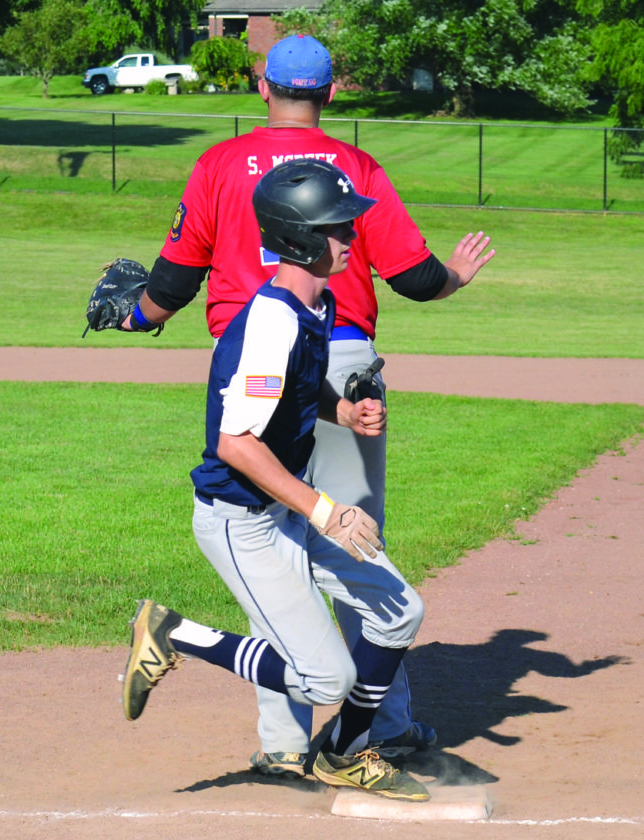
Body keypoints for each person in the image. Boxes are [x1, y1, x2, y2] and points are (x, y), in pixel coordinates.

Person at [120, 34, 495, 776]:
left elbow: (168, 287)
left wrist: (135, 316)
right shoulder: (351, 166)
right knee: (344, 542)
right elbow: (414, 277)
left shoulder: (219, 164)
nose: (348, 232)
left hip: (307, 365)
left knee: (302, 557)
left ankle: (288, 742)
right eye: (339, 228)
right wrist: (453, 276)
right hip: (313, 355)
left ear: (263, 85)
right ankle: (377, 728)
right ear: (331, 91)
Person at [123, 158, 430, 801]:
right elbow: (236, 444)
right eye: (339, 228)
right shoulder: (272, 322)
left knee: (400, 612)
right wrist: (327, 512)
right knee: (324, 682)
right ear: (301, 238)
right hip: (242, 520)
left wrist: (341, 409)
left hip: (286, 508)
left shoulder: (316, 300)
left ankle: (343, 754)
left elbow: (295, 393)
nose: (352, 238)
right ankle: (172, 632)